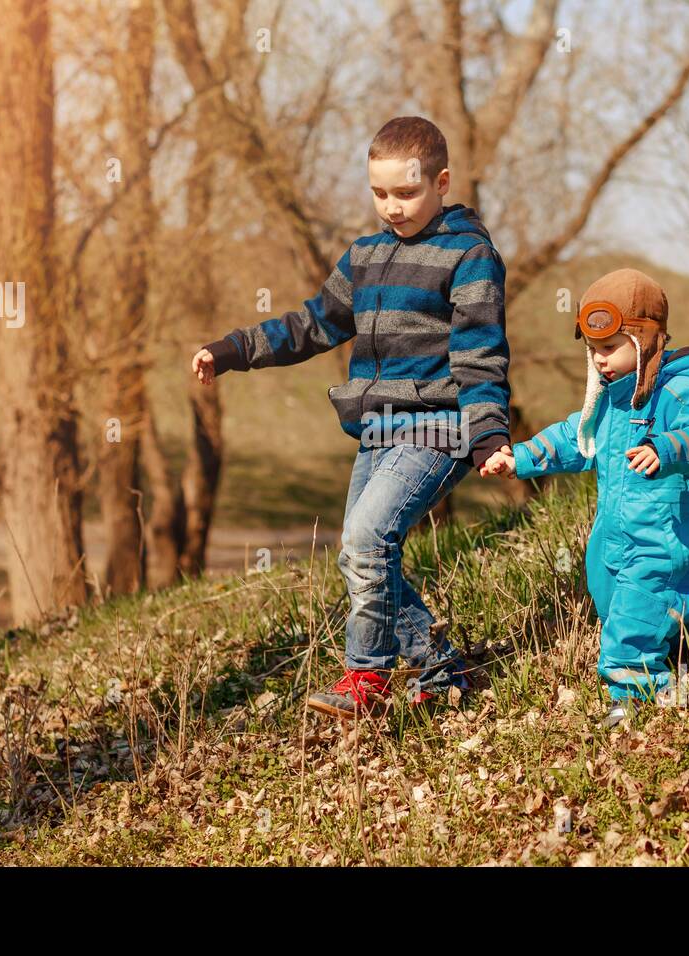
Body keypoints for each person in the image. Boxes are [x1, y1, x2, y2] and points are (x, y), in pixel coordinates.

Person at [192, 116, 511, 719]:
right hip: (376, 431)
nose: (392, 206)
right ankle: (441, 668)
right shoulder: (365, 257)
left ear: (441, 182)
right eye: (379, 193)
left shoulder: (469, 256)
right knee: (358, 554)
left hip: (437, 429)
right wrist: (232, 349)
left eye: (407, 192)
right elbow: (311, 324)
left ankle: (366, 681)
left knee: (367, 539)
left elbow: (480, 356)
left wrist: (488, 435)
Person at [481, 268, 689, 729]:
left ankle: (634, 691)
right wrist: (519, 458)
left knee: (631, 620)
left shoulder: (683, 389)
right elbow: (574, 440)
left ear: (646, 340)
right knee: (608, 594)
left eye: (610, 348)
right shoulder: (612, 402)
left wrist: (667, 448)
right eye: (593, 350)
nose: (599, 360)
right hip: (615, 533)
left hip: (666, 536)